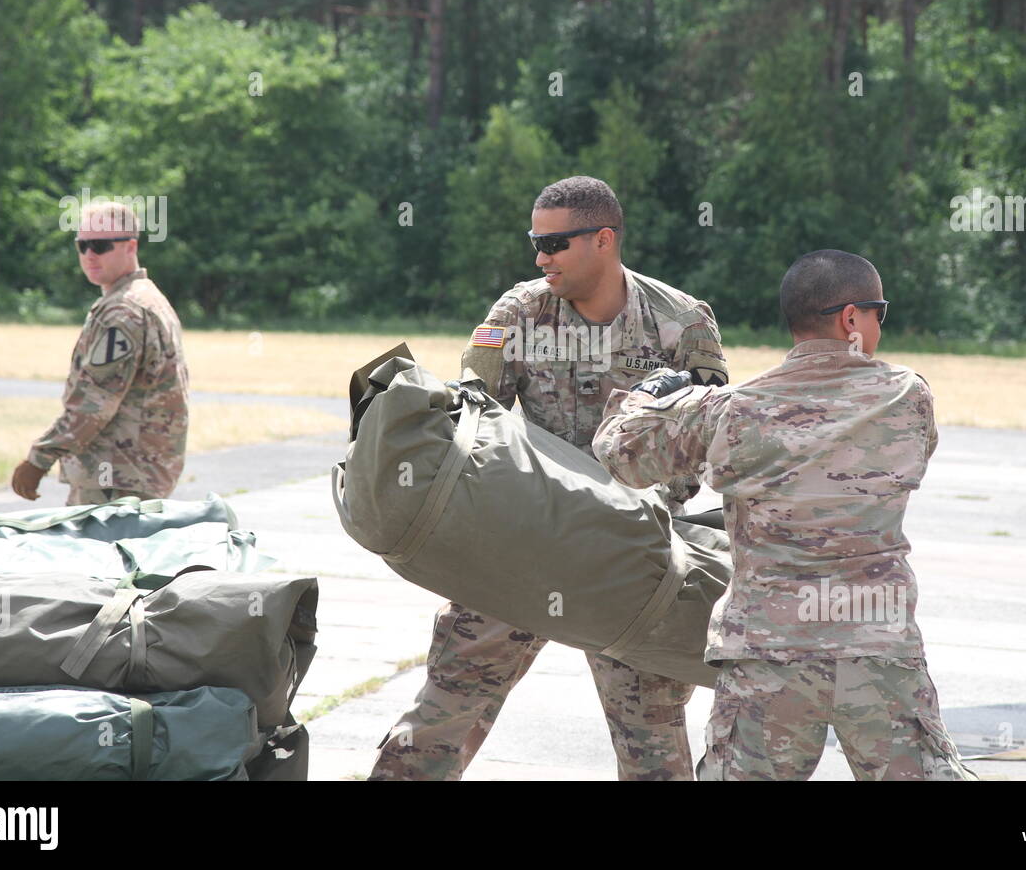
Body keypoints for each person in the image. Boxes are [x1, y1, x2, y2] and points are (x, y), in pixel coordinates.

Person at [370, 175, 728, 781]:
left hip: (629, 560)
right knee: (443, 711)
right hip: (527, 545)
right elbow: (472, 422)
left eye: (555, 244)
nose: (541, 258)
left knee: (651, 741)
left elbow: (710, 440)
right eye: (536, 242)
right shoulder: (519, 312)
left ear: (604, 240)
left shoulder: (681, 323)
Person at [592, 249, 976, 781]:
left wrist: (647, 396)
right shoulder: (907, 396)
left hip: (769, 655)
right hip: (878, 648)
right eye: (877, 312)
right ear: (850, 319)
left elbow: (621, 456)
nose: (880, 325)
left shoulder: (731, 409)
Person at [11, 201, 189, 506]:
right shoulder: (145, 298)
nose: (89, 255)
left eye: (101, 245)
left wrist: (39, 458)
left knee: (94, 553)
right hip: (134, 473)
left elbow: (94, 403)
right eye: (82, 245)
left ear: (131, 247)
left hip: (116, 478)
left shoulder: (124, 311)